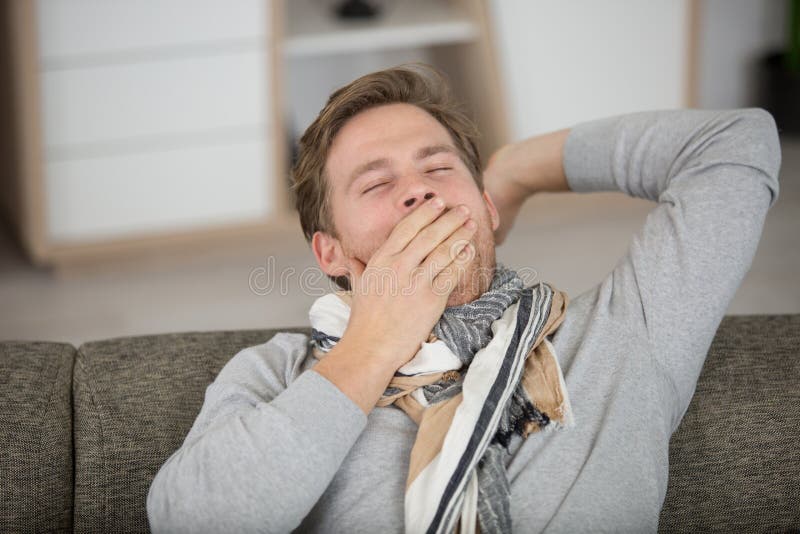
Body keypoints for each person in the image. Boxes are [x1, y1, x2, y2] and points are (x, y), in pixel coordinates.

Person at [147, 64, 781, 533]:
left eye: (439, 167)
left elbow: (734, 143)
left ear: (483, 206)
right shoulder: (275, 376)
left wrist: (513, 171)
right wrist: (373, 346)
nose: (419, 192)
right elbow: (189, 521)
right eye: (376, 182)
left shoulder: (623, 336)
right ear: (330, 254)